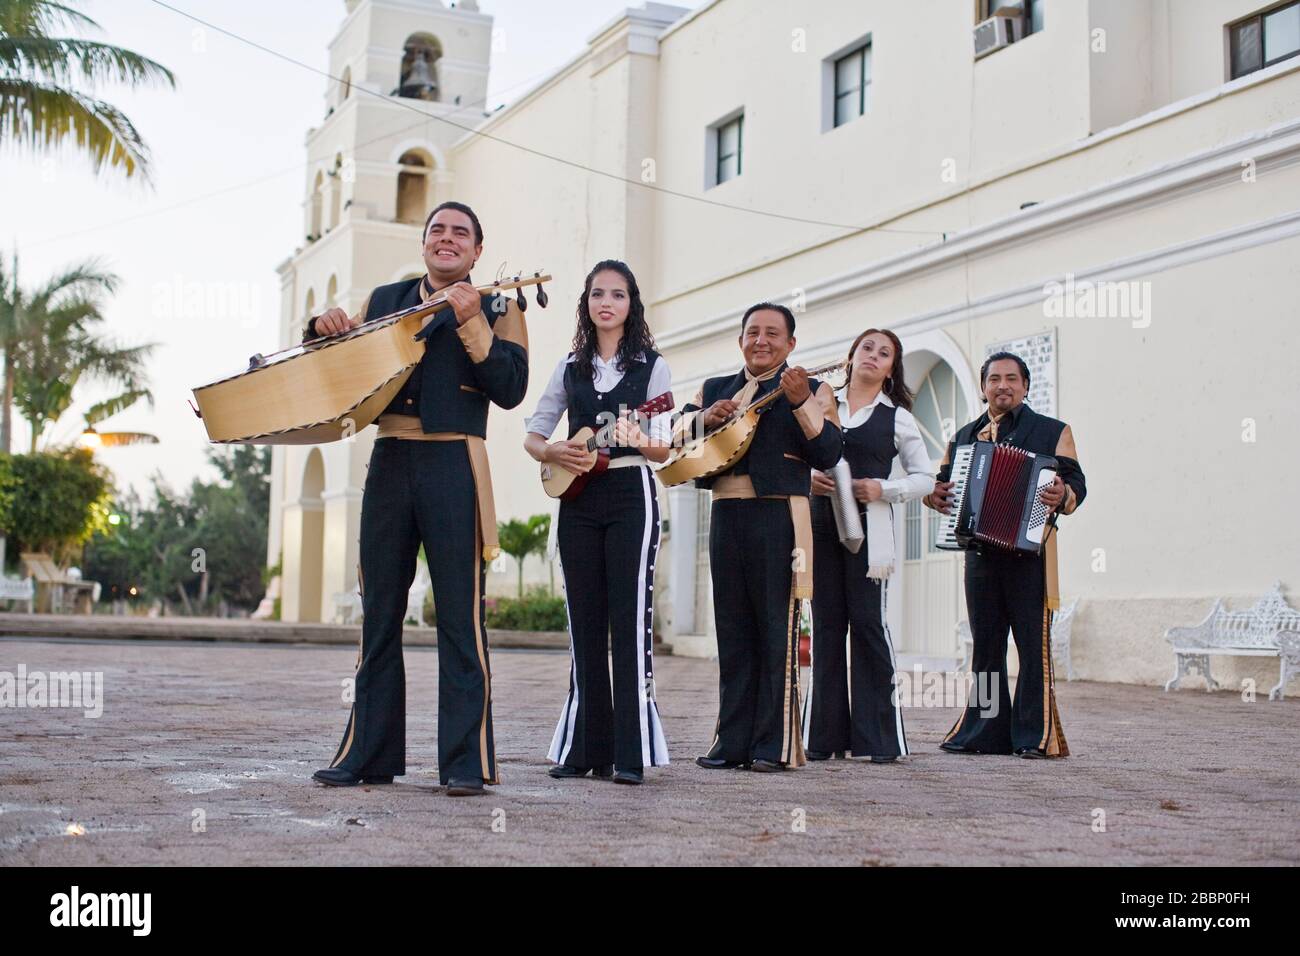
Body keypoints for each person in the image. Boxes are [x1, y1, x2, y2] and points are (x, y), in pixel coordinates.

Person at [309, 201, 528, 795]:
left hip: (455, 461)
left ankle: (464, 762)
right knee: (379, 611)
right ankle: (367, 754)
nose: (447, 239)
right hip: (390, 460)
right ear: (424, 243)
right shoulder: (385, 300)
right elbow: (339, 373)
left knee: (459, 616)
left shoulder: (502, 303)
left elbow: (511, 388)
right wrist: (322, 330)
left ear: (477, 250)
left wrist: (473, 322)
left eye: (461, 233)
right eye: (437, 230)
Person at [524, 260, 672, 786]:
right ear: (586, 303)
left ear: (632, 304)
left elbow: (664, 446)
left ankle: (630, 752)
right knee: (583, 622)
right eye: (597, 294)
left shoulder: (653, 368)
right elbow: (535, 433)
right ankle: (585, 748)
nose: (606, 302)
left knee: (629, 622)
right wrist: (553, 450)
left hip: (631, 494)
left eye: (617, 294)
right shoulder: (570, 367)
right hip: (578, 499)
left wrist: (638, 437)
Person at [680, 303, 843, 773]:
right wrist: (705, 419)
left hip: (780, 515)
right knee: (732, 630)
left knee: (777, 629)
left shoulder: (814, 388)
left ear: (791, 344)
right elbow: (674, 438)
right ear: (740, 341)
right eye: (753, 332)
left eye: (773, 333)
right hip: (726, 514)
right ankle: (731, 741)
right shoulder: (714, 389)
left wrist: (801, 402)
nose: (761, 341)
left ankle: (775, 744)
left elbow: (830, 451)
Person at [924, 351, 1085, 758]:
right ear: (983, 388)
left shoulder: (1053, 431)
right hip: (980, 556)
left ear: (1025, 386)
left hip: (1032, 556)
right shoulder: (963, 438)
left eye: (1012, 378)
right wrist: (934, 497)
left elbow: (1076, 484)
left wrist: (1063, 494)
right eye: (994, 379)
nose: (1003, 386)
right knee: (987, 644)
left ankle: (1032, 736)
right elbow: (941, 487)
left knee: (1032, 646)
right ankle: (986, 732)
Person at [804, 329, 933, 763]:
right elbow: (793, 459)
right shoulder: (820, 404)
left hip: (870, 528)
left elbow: (924, 478)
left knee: (868, 623)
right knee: (825, 626)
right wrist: (808, 480)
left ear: (892, 369)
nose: (873, 356)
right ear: (851, 356)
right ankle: (822, 739)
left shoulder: (897, 419)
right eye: (867, 348)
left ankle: (879, 739)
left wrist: (883, 488)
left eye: (885, 353)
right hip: (820, 525)